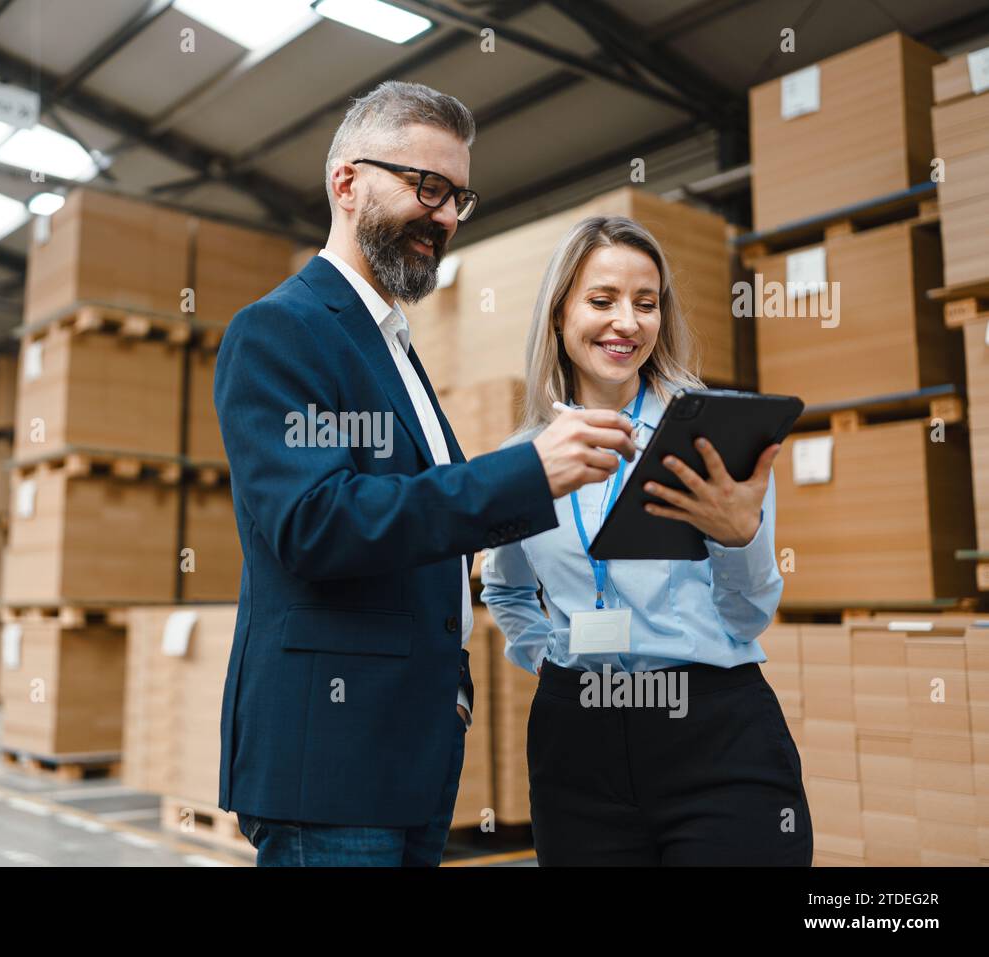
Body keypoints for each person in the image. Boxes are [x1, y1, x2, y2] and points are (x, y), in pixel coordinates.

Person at [213, 81, 638, 866]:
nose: (444, 216)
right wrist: (523, 474)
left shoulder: (394, 347)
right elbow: (316, 523)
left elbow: (426, 527)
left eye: (458, 198)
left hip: (408, 751)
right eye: (426, 186)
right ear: (346, 182)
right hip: (330, 763)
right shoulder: (281, 330)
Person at [481, 215, 813, 866]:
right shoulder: (524, 457)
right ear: (558, 312)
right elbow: (505, 586)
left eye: (646, 302)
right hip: (577, 743)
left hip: (714, 729)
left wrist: (739, 538)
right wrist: (547, 656)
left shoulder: (711, 433)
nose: (627, 323)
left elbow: (749, 616)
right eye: (602, 300)